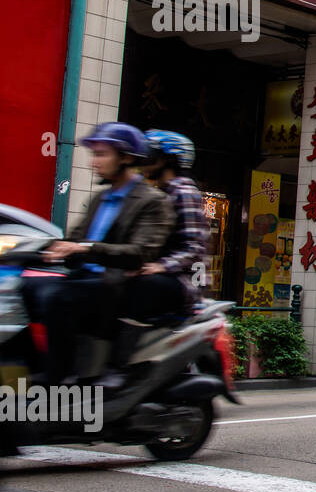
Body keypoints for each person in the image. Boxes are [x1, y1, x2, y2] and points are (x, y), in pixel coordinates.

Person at [21, 123, 174, 384]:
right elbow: (74, 240)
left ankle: (61, 376)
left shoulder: (152, 201)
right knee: (27, 285)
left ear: (125, 158)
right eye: (95, 155)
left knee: (59, 298)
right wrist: (47, 249)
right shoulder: (100, 198)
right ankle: (34, 367)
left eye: (102, 155)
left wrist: (85, 248)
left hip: (115, 286)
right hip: (83, 279)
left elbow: (140, 252)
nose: (95, 163)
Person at [97, 130, 209, 388]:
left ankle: (120, 367)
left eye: (152, 155)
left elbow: (195, 247)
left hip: (181, 282)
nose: (144, 160)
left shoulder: (182, 191)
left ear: (169, 160)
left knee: (131, 290)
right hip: (157, 273)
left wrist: (160, 266)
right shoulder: (154, 192)